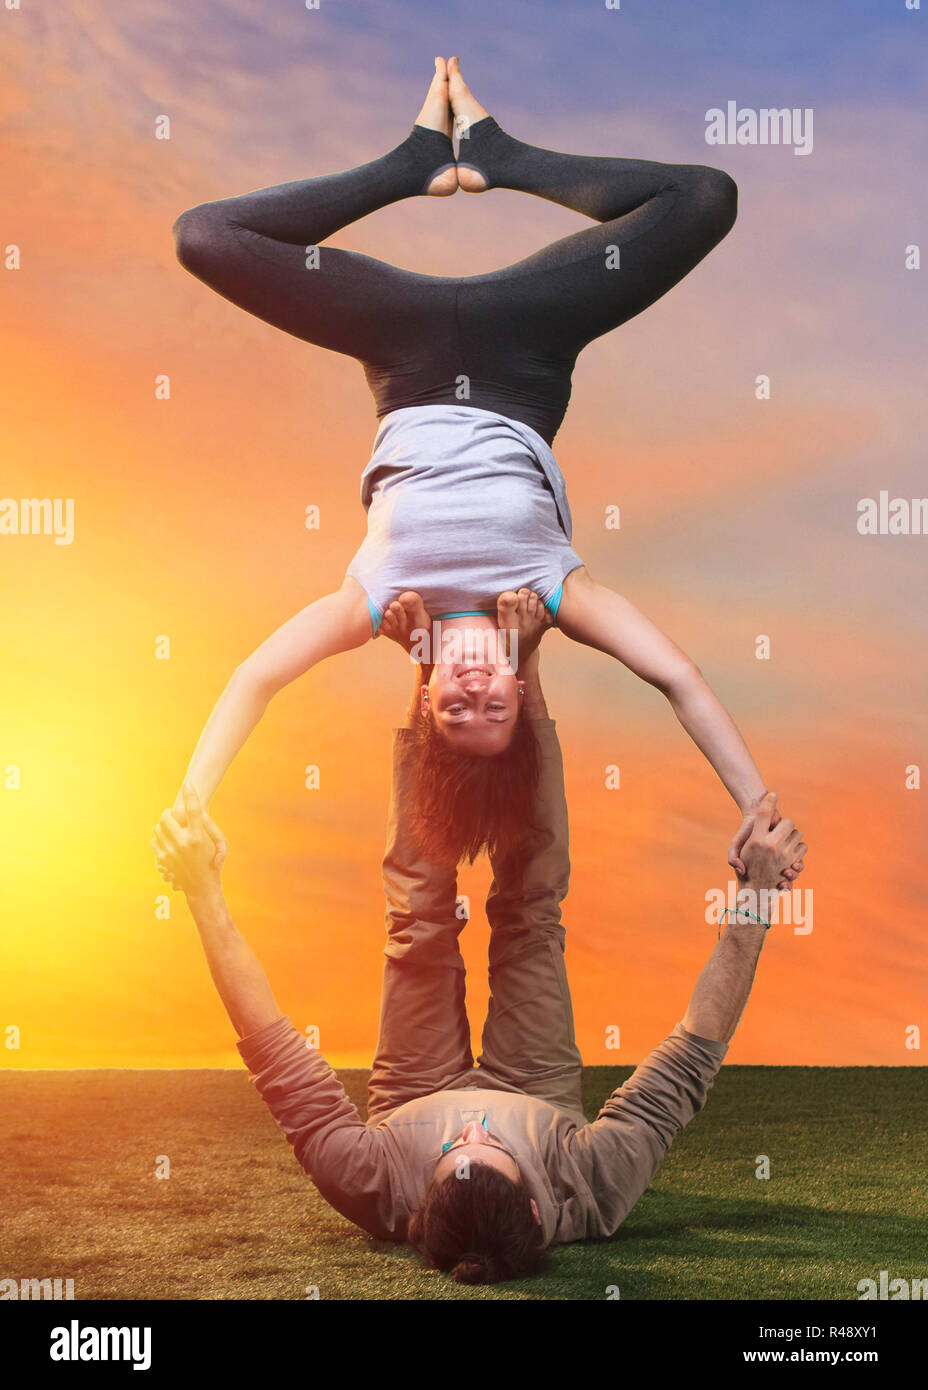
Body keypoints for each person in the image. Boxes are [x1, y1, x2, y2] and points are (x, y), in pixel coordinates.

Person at [167, 59, 802, 876]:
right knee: (706, 197)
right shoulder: (554, 594)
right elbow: (676, 676)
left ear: (425, 706)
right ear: (518, 688)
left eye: (457, 708)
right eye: (494, 705)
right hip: (525, 349)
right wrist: (756, 805)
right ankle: (500, 154)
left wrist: (192, 799)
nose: (474, 686)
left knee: (203, 238)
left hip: (405, 348)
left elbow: (256, 678)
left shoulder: (373, 604)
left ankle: (408, 165)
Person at [151, 648, 807, 1286]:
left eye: (451, 1152)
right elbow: (694, 1051)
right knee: (530, 916)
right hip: (536, 1090)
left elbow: (270, 1045)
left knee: (418, 919)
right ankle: (525, 668)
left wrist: (202, 892)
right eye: (487, 1147)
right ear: (535, 1208)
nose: (471, 1127)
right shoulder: (595, 1186)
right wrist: (757, 893)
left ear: (416, 1214)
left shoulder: (368, 1182)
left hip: (413, 1091)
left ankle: (428, 672)